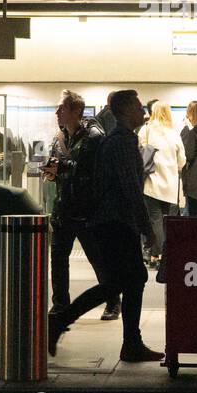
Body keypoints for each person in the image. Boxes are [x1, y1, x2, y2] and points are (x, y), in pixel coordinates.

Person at [49, 89, 163, 362]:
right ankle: (125, 342)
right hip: (116, 223)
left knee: (124, 281)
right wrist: (149, 230)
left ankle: (129, 342)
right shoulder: (121, 142)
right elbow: (130, 189)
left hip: (113, 222)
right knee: (127, 280)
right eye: (137, 106)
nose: (143, 111)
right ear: (124, 111)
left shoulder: (119, 140)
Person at [42, 91, 120, 321]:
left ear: (76, 111)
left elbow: (86, 170)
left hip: (87, 210)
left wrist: (62, 167)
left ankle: (113, 302)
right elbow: (55, 169)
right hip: (64, 207)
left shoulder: (94, 136)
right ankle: (60, 305)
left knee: (98, 259)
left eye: (62, 108)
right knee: (58, 258)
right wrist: (53, 170)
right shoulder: (59, 138)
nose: (57, 112)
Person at [136, 101, 185, 267]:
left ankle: (157, 255)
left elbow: (139, 153)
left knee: (154, 219)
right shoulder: (174, 134)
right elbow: (182, 161)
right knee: (166, 220)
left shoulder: (146, 130)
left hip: (151, 183)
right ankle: (164, 254)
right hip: (170, 184)